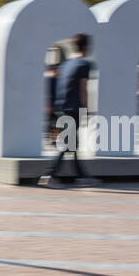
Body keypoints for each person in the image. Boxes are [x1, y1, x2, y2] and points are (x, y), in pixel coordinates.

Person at [41, 33, 102, 188]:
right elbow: (83, 88)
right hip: (74, 108)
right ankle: (49, 174)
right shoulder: (85, 64)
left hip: (62, 106)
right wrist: (86, 109)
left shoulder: (66, 64)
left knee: (73, 144)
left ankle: (81, 176)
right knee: (69, 142)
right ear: (87, 47)